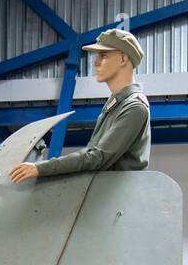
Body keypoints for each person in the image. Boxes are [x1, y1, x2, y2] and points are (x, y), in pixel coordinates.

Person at [8, 28, 150, 182]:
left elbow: (97, 157)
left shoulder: (134, 107)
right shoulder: (115, 105)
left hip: (118, 200)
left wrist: (41, 168)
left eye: (103, 56)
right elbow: (92, 153)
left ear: (123, 59)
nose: (95, 63)